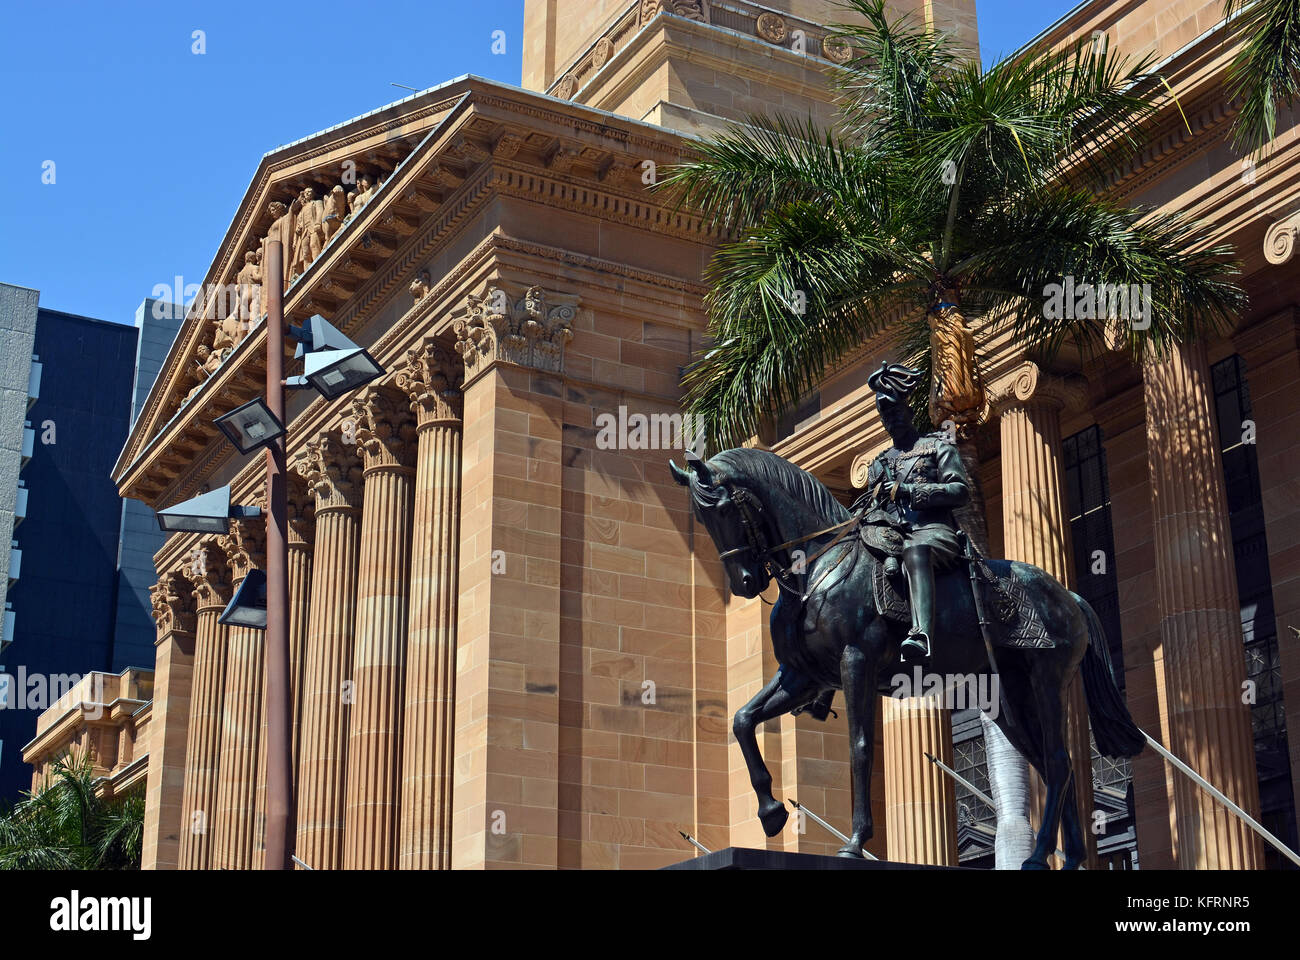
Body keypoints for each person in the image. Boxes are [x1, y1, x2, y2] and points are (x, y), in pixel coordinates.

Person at [858, 362, 971, 662]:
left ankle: (921, 634)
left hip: (935, 533)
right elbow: (873, 508)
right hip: (893, 537)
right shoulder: (879, 463)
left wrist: (910, 491)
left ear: (908, 410)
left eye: (895, 412)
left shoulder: (936, 447)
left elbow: (960, 491)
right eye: (885, 416)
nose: (890, 420)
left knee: (916, 551)